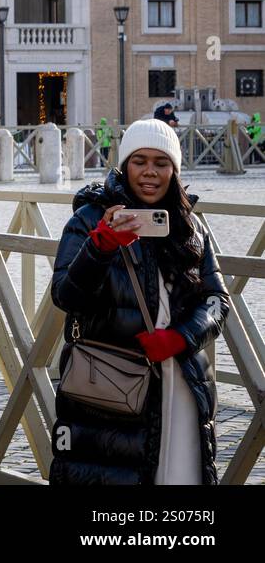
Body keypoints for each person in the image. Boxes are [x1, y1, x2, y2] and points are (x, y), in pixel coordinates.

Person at [50, 118, 228, 485]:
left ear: (174, 171)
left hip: (179, 381)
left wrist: (181, 336)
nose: (150, 172)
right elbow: (65, 296)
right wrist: (99, 248)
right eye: (139, 161)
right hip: (112, 381)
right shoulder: (89, 219)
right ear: (124, 165)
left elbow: (216, 299)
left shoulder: (190, 227)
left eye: (161, 163)